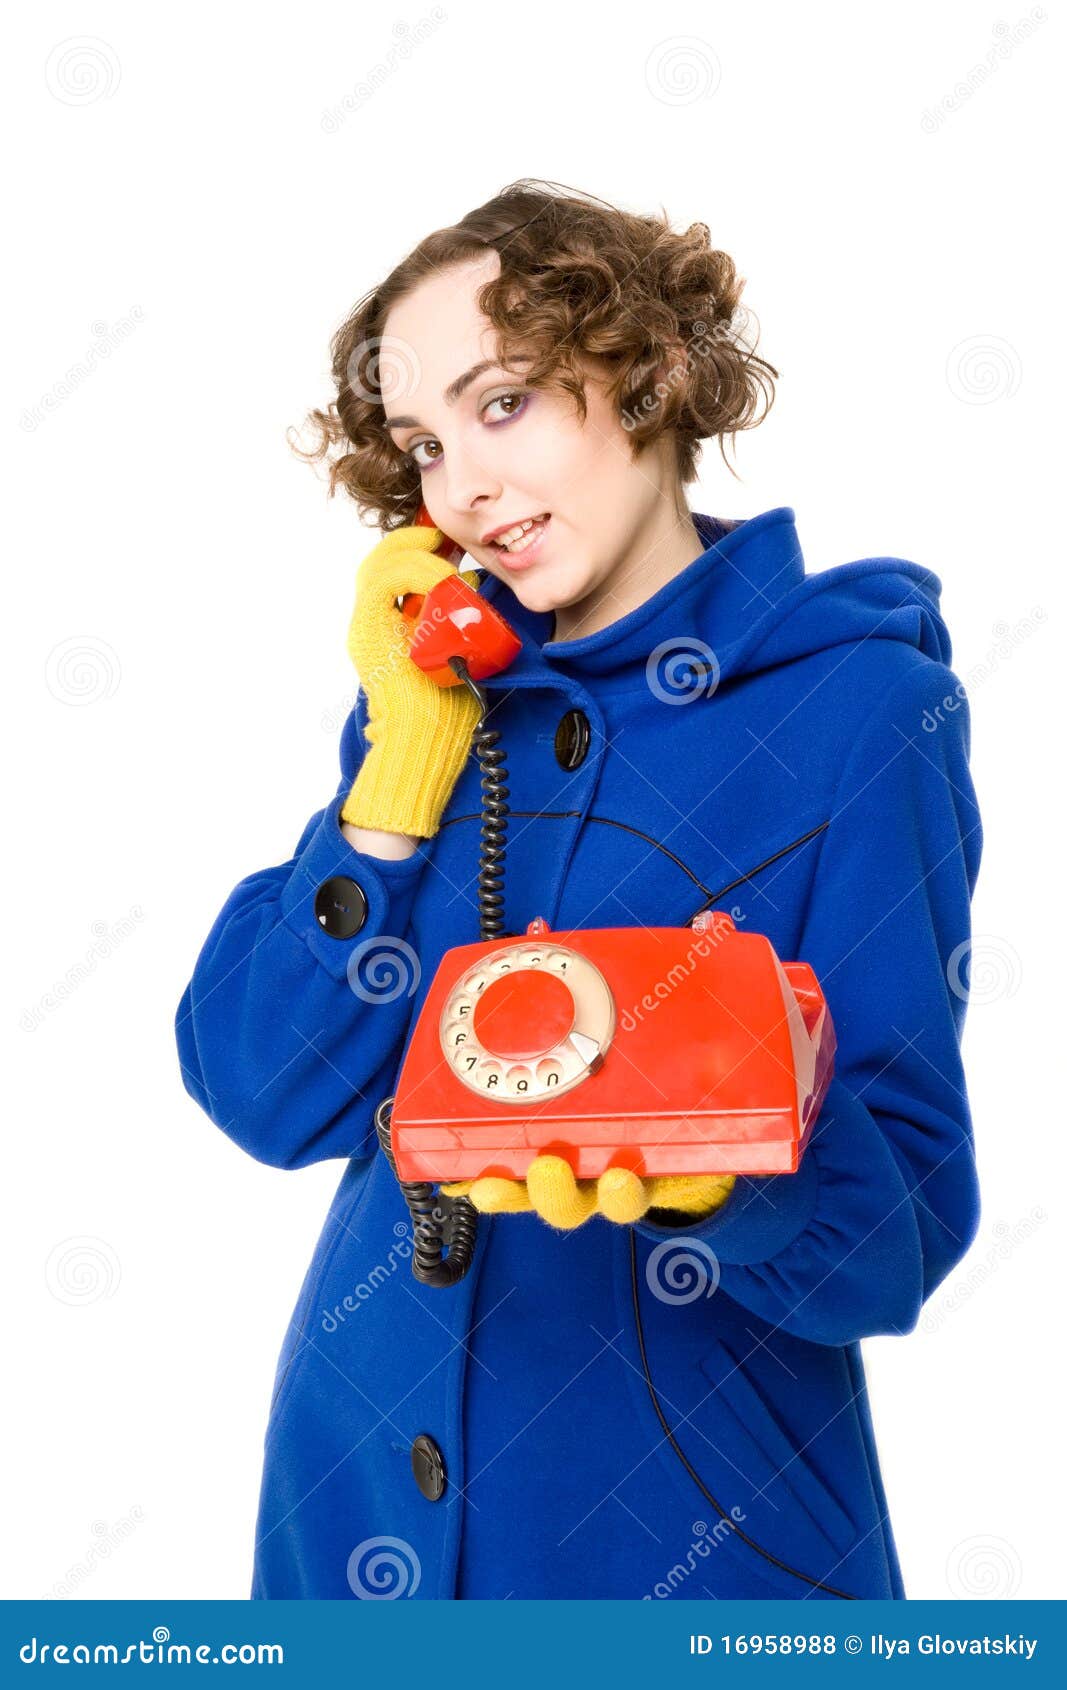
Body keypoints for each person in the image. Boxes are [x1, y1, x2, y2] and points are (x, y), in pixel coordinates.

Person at [175, 180, 983, 1601]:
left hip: (678, 1547)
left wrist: (721, 1170)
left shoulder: (864, 710)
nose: (464, 489)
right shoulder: (428, 714)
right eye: (425, 444)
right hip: (353, 1507)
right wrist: (393, 786)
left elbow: (899, 1232)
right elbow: (263, 1090)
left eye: (503, 406)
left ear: (654, 375)